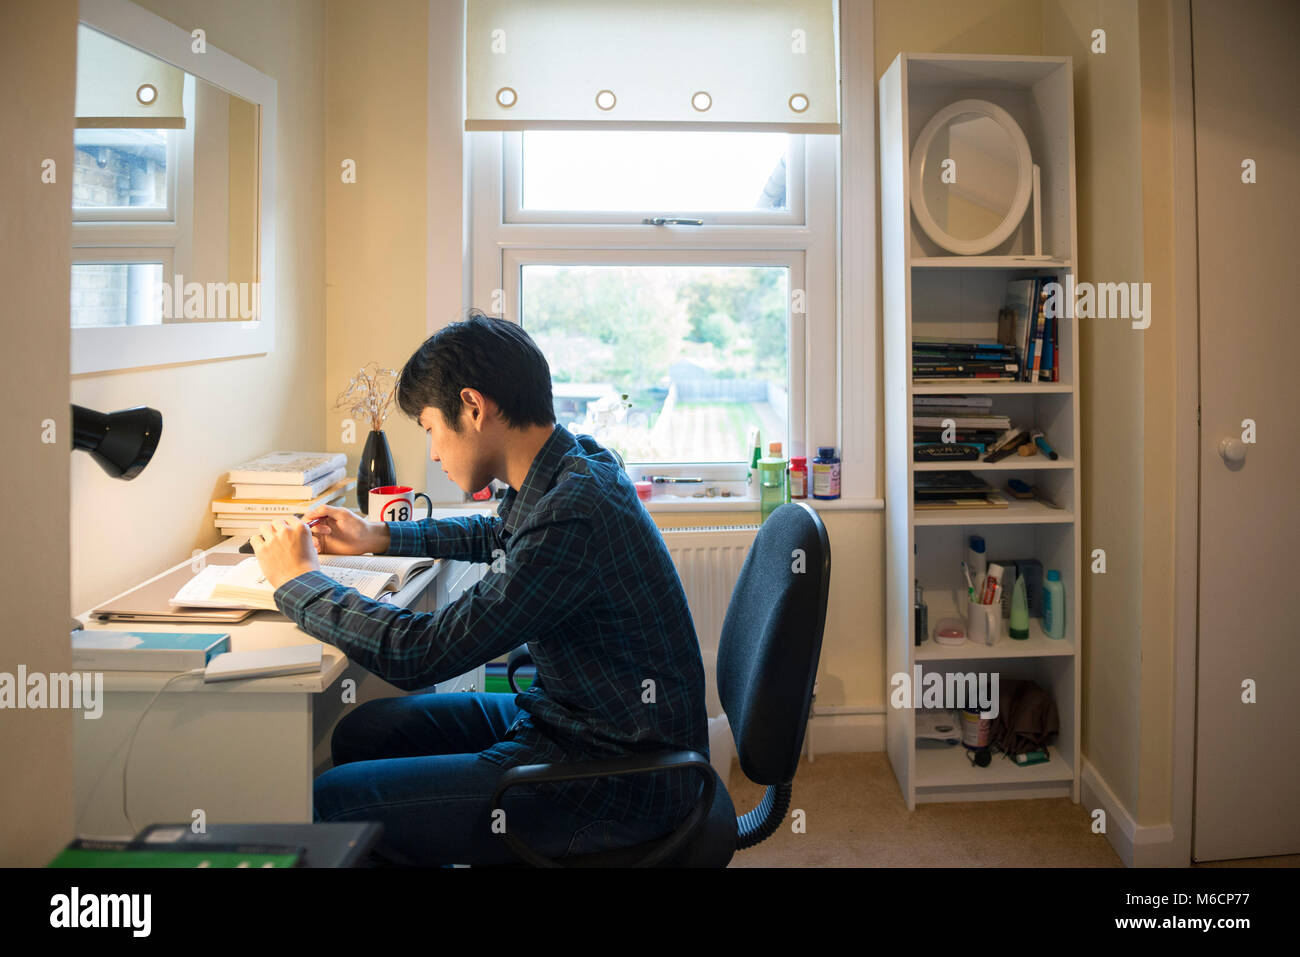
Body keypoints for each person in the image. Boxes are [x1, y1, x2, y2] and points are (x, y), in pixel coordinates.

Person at [249, 309, 710, 866]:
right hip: (572, 720)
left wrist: (299, 581)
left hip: (617, 778)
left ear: (473, 406)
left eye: (430, 429)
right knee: (363, 734)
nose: (433, 452)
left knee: (331, 805)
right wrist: (380, 534)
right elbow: (498, 533)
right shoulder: (573, 462)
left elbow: (419, 653)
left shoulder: (573, 514)